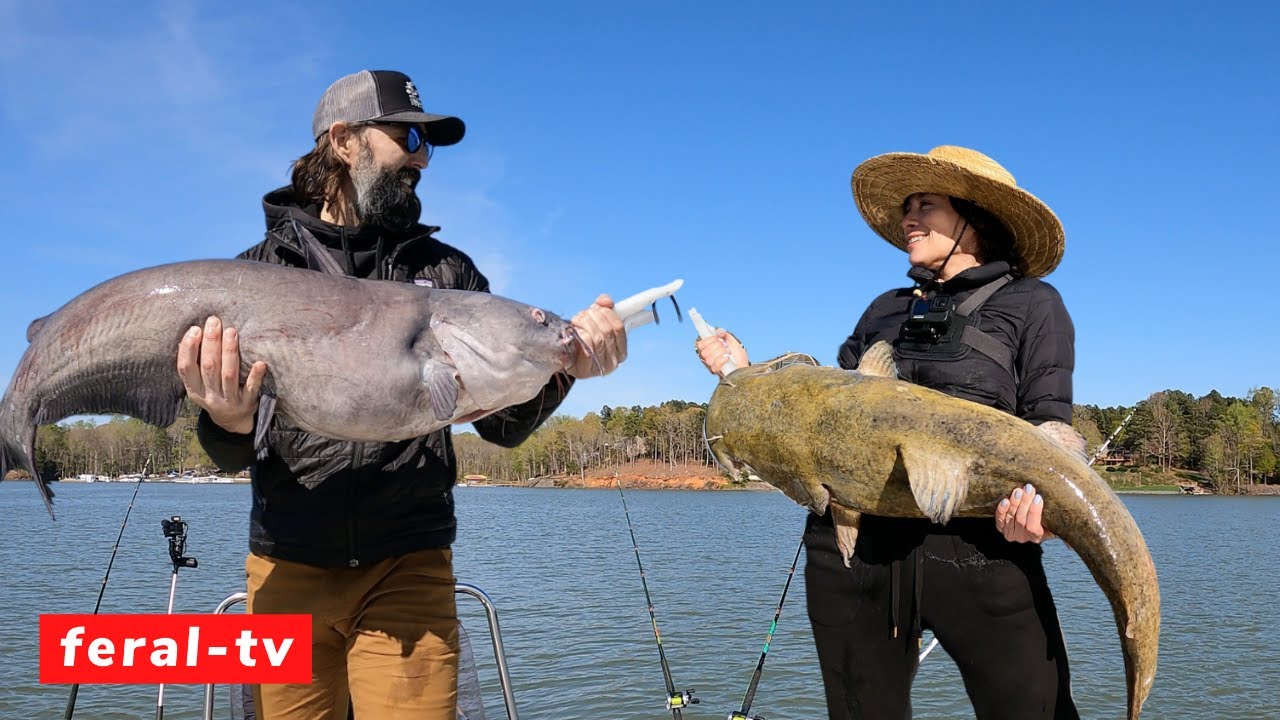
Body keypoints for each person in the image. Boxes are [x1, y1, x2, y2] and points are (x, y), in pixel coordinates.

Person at [175, 69, 628, 719]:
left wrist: (563, 368)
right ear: (343, 141)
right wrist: (226, 417)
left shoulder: (451, 275)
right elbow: (226, 454)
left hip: (409, 566)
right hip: (286, 566)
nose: (420, 155)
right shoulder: (254, 275)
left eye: (428, 142)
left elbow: (502, 427)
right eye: (408, 135)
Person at [697, 145, 1079, 719]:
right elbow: (830, 410)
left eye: (926, 204)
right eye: (907, 207)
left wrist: (1046, 508)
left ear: (976, 215)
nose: (909, 219)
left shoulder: (1033, 304)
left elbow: (1052, 424)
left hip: (981, 547)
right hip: (852, 550)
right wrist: (742, 373)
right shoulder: (883, 308)